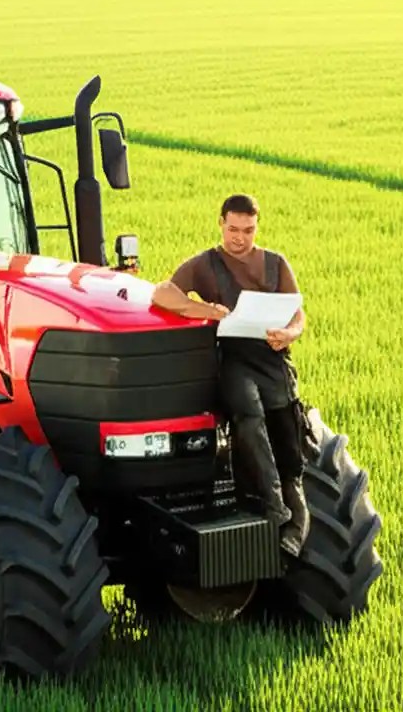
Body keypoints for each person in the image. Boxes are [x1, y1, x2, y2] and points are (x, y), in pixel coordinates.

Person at [151, 194, 311, 556]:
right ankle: (274, 506)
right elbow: (163, 293)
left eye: (248, 230)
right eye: (233, 229)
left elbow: (298, 313)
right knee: (249, 414)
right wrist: (206, 309)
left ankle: (295, 521)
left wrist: (289, 334)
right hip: (232, 359)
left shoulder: (276, 263)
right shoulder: (205, 264)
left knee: (288, 440)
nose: (240, 237)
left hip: (272, 358)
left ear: (258, 227)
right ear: (221, 223)